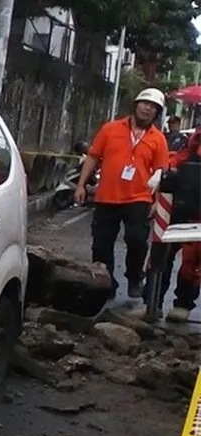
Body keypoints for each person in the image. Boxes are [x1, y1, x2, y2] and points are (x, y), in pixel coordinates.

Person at [75, 87, 171, 298]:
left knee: (137, 239)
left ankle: (135, 276)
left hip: (139, 198)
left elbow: (160, 172)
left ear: (157, 113)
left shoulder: (158, 139)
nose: (148, 109)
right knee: (101, 243)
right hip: (107, 196)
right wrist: (81, 185)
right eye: (145, 104)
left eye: (153, 107)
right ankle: (105, 282)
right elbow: (93, 157)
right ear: (136, 105)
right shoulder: (110, 129)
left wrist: (157, 201)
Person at [144, 128, 201, 322]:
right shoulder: (189, 142)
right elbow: (172, 164)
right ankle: (151, 302)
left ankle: (183, 304)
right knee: (160, 256)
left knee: (192, 264)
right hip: (177, 207)